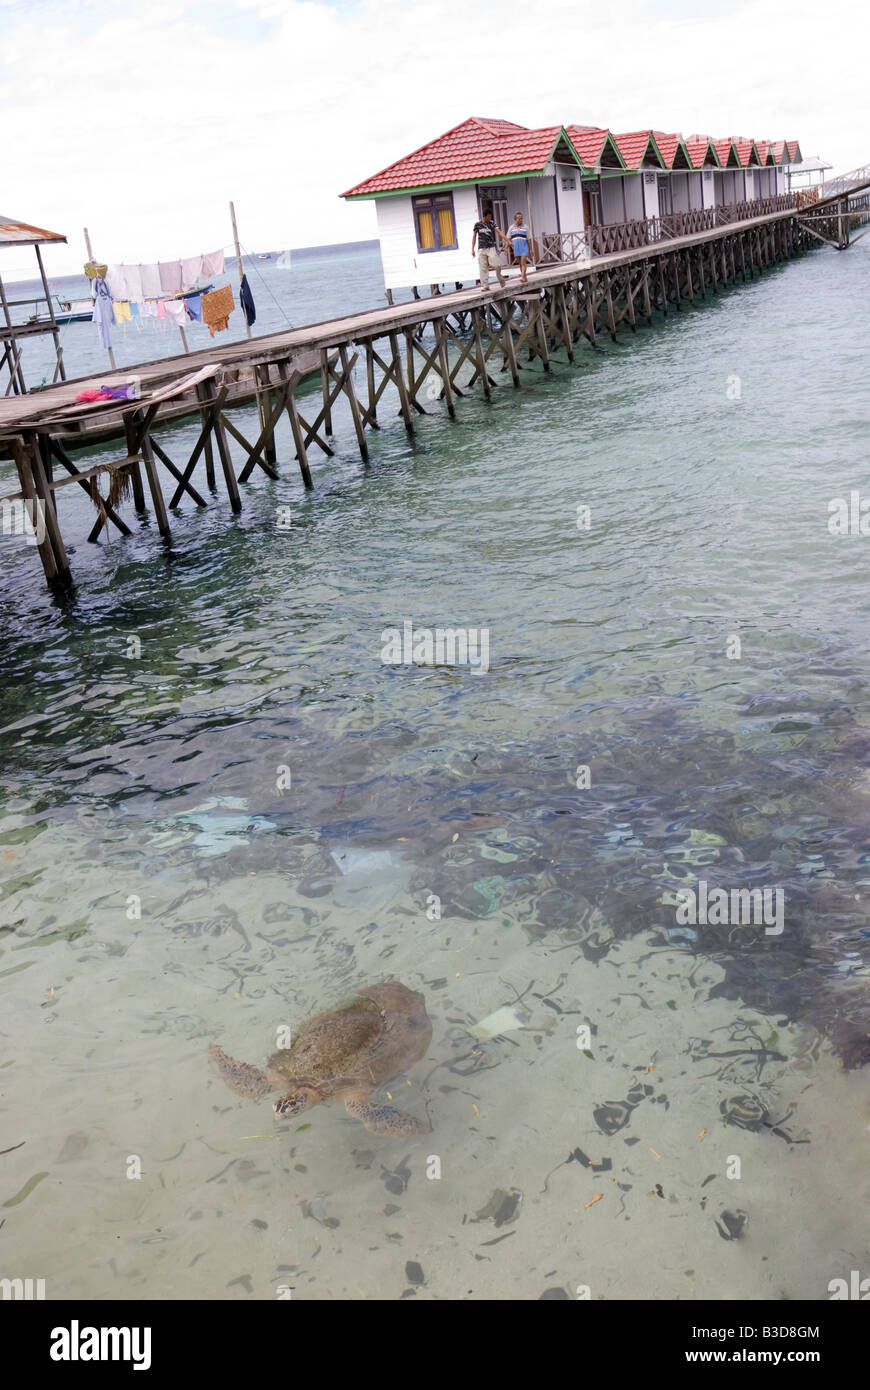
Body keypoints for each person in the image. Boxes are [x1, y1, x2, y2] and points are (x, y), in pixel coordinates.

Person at [472, 204, 505, 292]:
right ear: (485, 216)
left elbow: (499, 232)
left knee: (497, 264)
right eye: (489, 216)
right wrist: (472, 249)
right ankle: (485, 286)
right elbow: (474, 237)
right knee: (483, 267)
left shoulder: (492, 223)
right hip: (481, 248)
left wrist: (506, 239)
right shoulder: (477, 225)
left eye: (491, 216)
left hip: (491, 247)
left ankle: (500, 278)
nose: (490, 217)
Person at [506, 212, 531, 283]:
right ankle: (525, 277)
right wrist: (506, 248)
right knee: (520, 264)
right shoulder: (511, 227)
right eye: (519, 218)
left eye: (521, 218)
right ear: (515, 219)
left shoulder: (525, 227)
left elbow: (528, 239)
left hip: (524, 247)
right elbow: (508, 238)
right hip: (516, 248)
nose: (520, 220)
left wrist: (531, 249)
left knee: (523, 263)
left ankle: (522, 277)